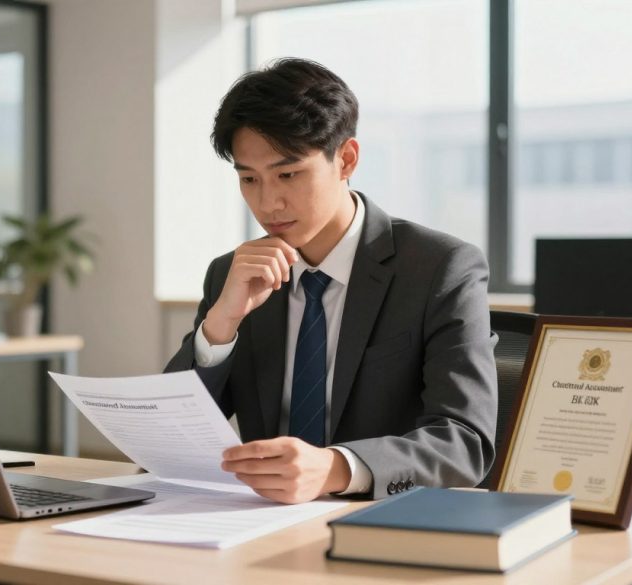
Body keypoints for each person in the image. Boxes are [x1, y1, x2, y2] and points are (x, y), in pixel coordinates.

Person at [164, 58, 498, 504]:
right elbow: (170, 438)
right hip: (253, 521)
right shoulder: (233, 274)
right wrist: (220, 326)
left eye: (288, 174)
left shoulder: (440, 268)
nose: (268, 202)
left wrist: (336, 468)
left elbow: (464, 442)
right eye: (249, 179)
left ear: (346, 159)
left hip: (380, 522)